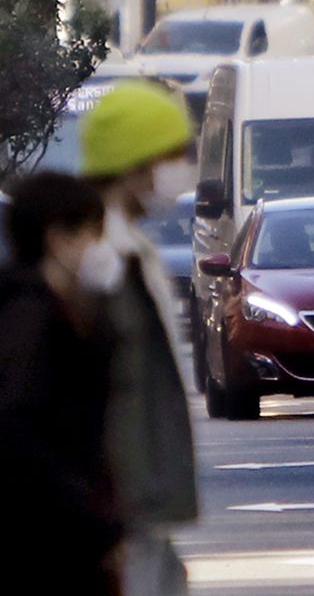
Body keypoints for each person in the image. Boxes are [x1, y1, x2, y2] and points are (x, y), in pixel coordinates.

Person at [80, 80, 198, 596]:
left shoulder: (135, 250)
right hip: (117, 508)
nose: (181, 169)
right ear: (134, 161)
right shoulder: (101, 259)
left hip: (142, 505)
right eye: (171, 154)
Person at [0, 172, 123, 592]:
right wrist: (94, 525)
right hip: (46, 547)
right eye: (93, 233)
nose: (100, 249)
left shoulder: (59, 311)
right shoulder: (29, 317)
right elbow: (19, 431)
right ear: (58, 238)